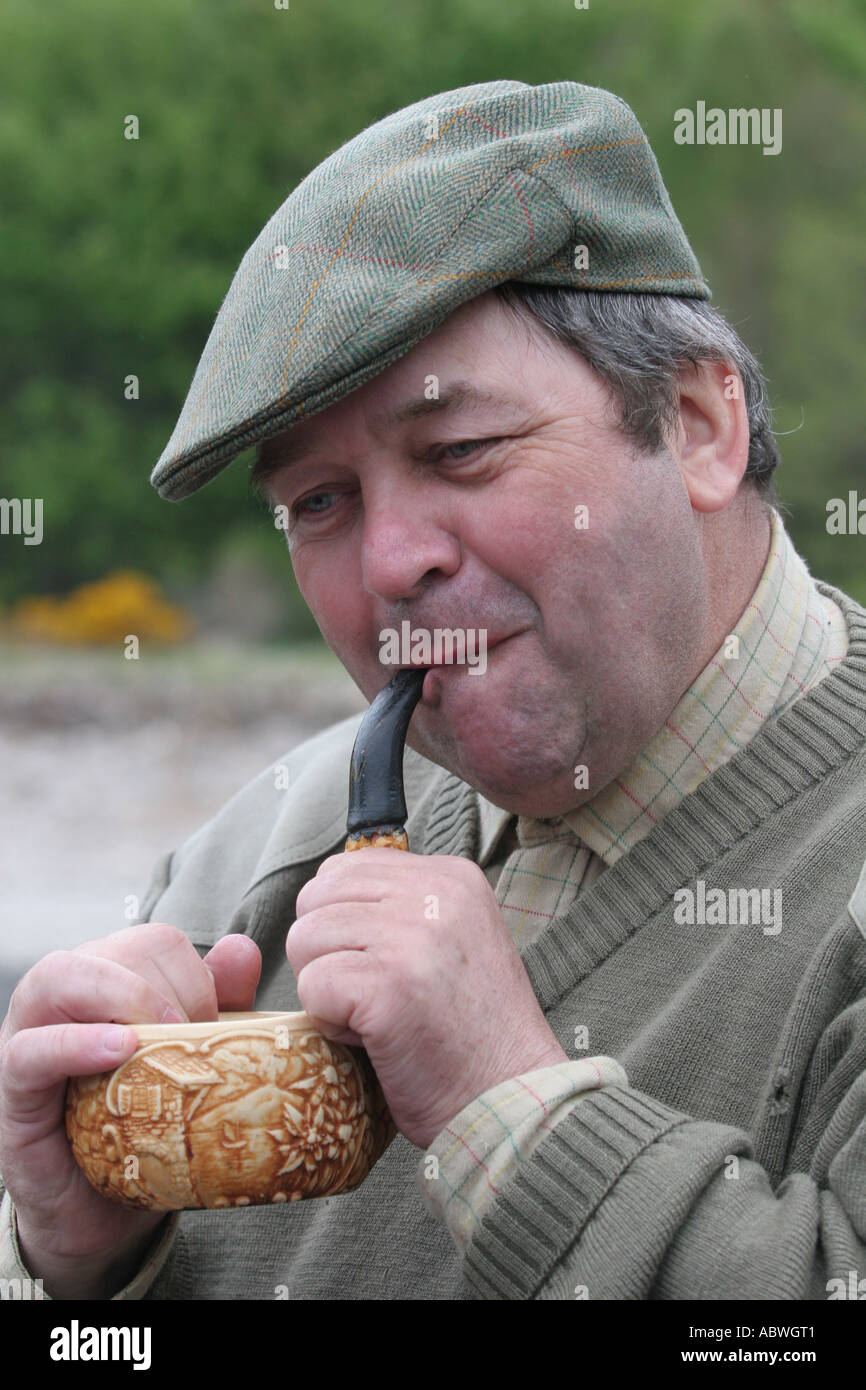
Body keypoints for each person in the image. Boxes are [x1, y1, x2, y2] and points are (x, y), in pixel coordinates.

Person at [2, 78, 865, 1302]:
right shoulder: (238, 875)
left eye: (457, 451)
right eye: (317, 503)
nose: (390, 562)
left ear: (691, 426)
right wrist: (71, 1272)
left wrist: (504, 1108)